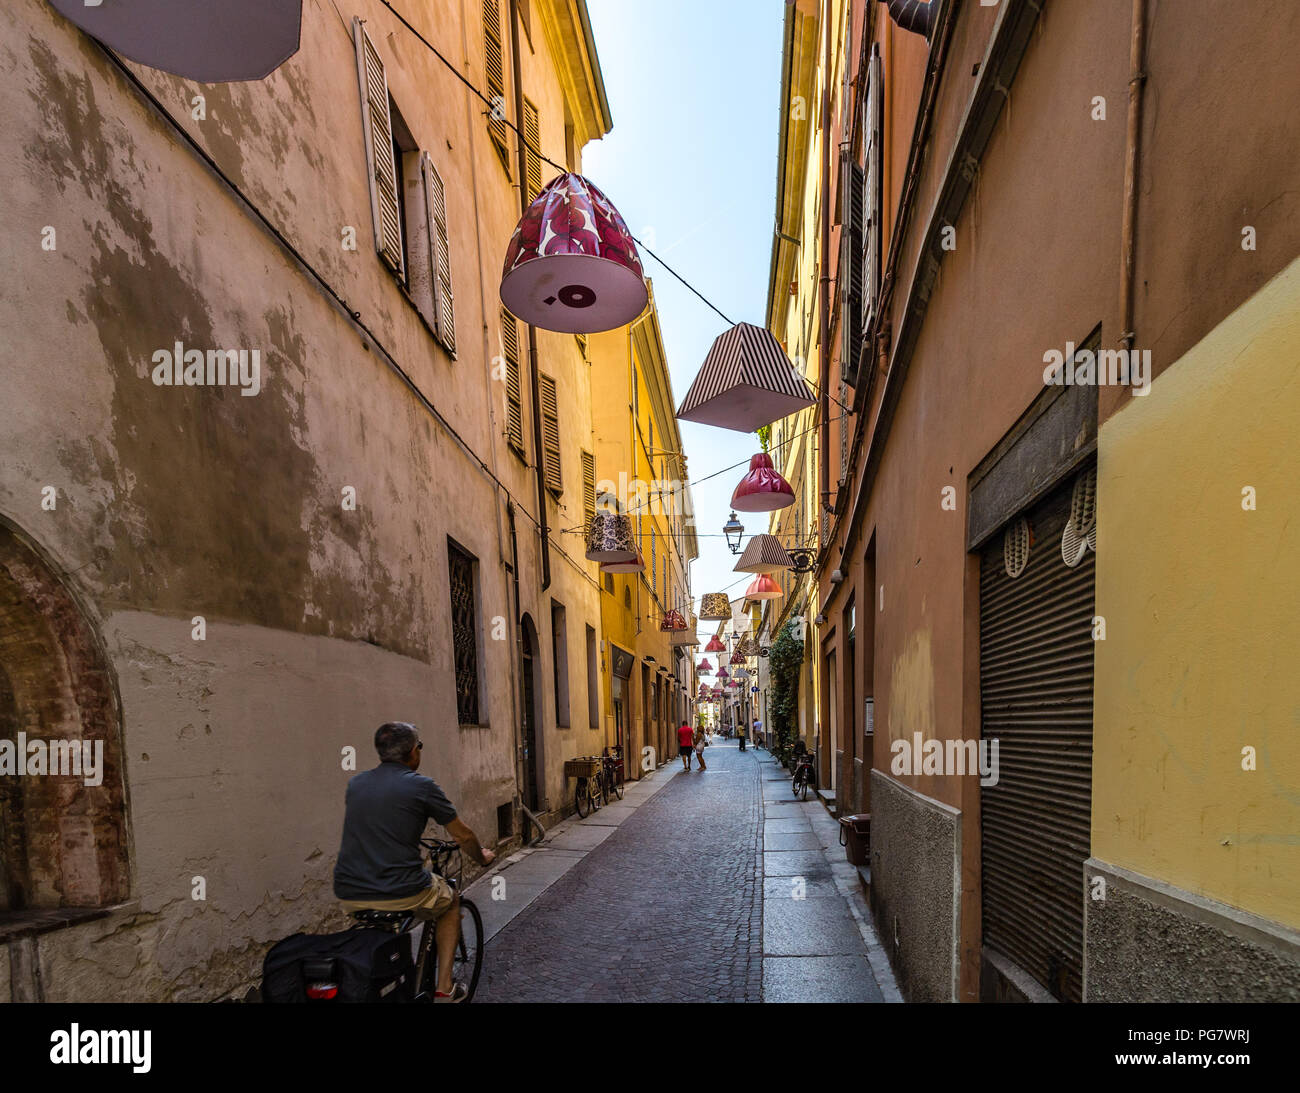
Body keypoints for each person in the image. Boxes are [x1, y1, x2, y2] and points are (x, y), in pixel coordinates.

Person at [334, 722, 495, 1003]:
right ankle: (444, 989)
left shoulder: (355, 784)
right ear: (412, 752)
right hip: (402, 889)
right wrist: (482, 857)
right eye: (420, 746)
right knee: (451, 900)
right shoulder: (422, 786)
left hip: (350, 892)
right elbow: (462, 834)